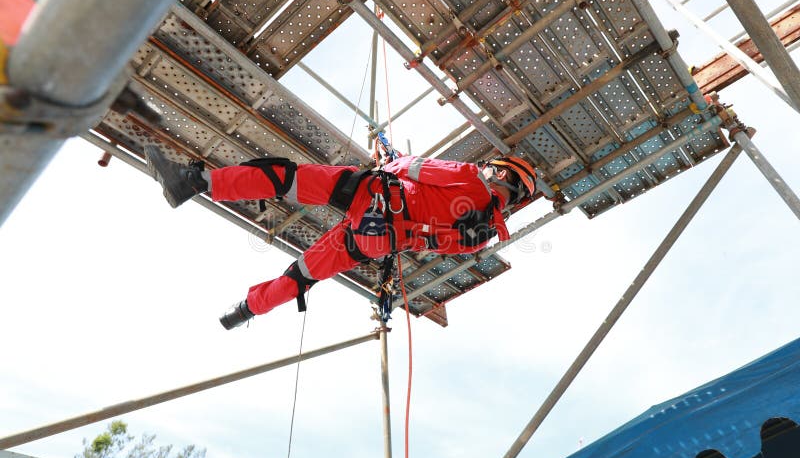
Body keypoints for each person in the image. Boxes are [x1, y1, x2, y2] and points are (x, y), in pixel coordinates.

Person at [144, 145, 537, 330]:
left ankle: (194, 182)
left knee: (287, 178)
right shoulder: (480, 237)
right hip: (375, 240)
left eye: (491, 165)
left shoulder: (470, 175)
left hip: (374, 197)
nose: (484, 165)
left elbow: (411, 167)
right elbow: (431, 231)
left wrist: (389, 160)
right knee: (303, 274)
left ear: (501, 174)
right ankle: (246, 310)